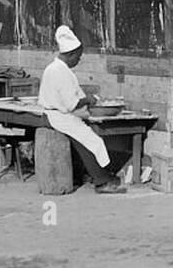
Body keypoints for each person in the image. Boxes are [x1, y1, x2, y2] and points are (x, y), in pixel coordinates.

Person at [38, 25, 127, 194]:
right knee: (91, 141)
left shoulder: (55, 68)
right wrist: (89, 99)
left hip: (58, 114)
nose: (78, 61)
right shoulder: (59, 71)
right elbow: (72, 103)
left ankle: (97, 174)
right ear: (70, 54)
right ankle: (101, 181)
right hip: (58, 116)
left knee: (87, 138)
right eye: (78, 57)